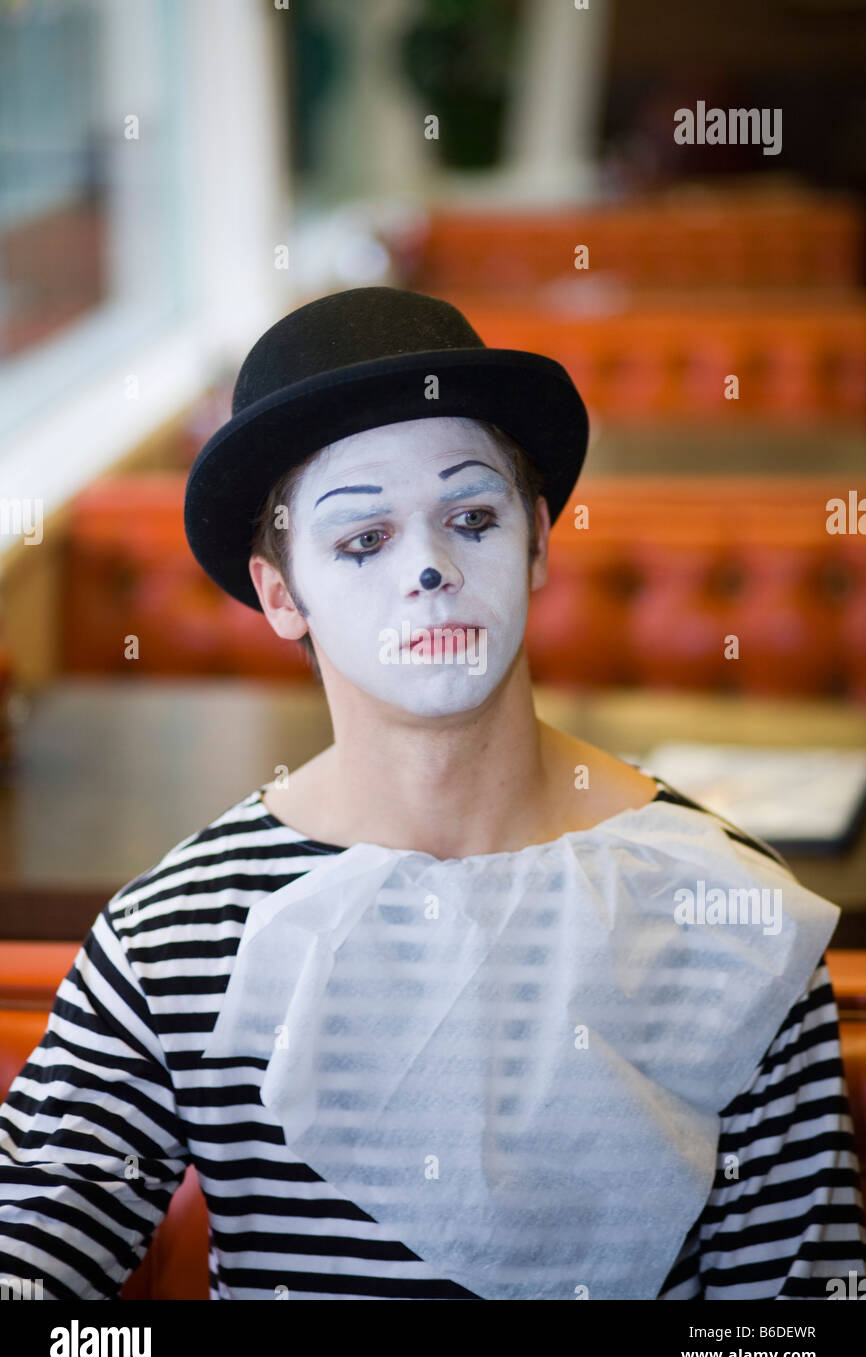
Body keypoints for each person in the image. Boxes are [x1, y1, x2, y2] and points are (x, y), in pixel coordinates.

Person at [0, 287, 863, 1300]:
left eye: (469, 515)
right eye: (361, 539)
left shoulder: (731, 918)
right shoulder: (172, 934)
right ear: (282, 594)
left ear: (536, 539)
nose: (428, 569)